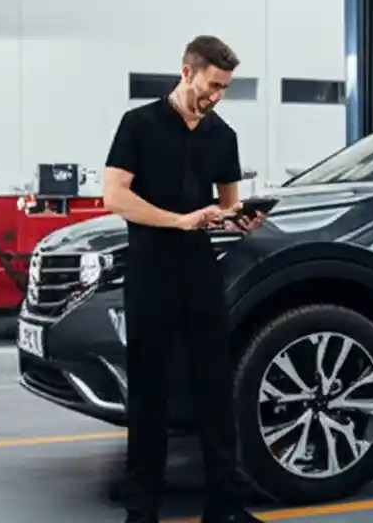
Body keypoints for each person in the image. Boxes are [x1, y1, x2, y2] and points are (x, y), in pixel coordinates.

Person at [103, 35, 268, 523]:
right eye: (212, 84)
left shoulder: (224, 136)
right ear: (186, 71)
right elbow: (114, 196)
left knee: (215, 389)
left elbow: (227, 205)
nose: (217, 95)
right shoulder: (140, 125)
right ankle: (141, 508)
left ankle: (225, 506)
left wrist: (241, 218)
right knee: (149, 391)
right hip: (152, 268)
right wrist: (178, 220)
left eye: (225, 88)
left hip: (200, 272)